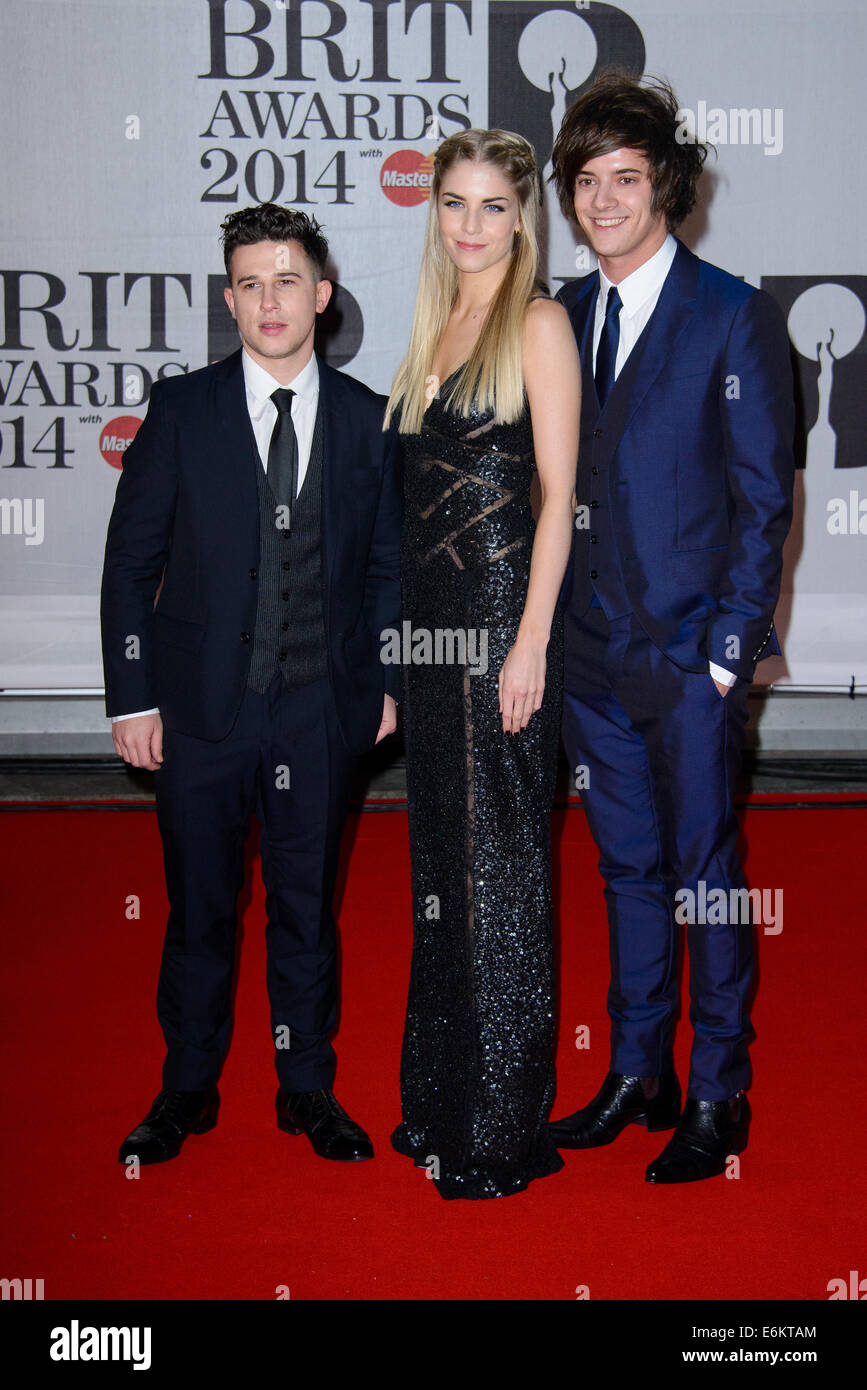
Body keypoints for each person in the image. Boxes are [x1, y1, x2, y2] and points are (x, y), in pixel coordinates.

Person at [101, 204, 401, 1166]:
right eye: (249, 283)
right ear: (229, 298)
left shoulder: (367, 419)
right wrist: (133, 695)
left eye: (286, 280)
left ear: (322, 293)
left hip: (320, 708)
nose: (269, 301)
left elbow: (389, 565)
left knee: (307, 910)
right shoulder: (182, 410)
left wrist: (388, 678)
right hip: (199, 712)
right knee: (199, 910)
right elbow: (128, 564)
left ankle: (306, 1088)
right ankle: (185, 1088)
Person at [548, 70, 795, 1182]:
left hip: (691, 659)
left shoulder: (733, 313)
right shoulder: (561, 313)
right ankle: (639, 1069)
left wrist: (729, 651)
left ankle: (719, 1091)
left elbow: (763, 500)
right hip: (590, 656)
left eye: (626, 179)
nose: (603, 200)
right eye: (585, 180)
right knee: (627, 869)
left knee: (706, 871)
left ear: (670, 187)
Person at [385, 129, 580, 1199]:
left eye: (492, 206)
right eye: (454, 204)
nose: (470, 225)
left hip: (504, 625)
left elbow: (557, 499)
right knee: (442, 876)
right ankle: (440, 1099)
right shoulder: (435, 325)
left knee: (502, 873)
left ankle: (499, 1128)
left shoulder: (537, 322)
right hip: (431, 633)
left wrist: (532, 642)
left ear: (522, 218)